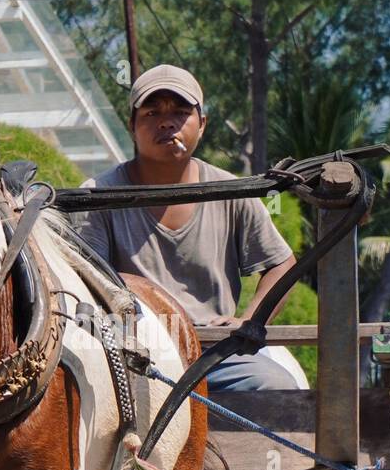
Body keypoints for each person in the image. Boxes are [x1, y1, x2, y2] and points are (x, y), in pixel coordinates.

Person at [74, 63, 307, 391]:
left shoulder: (231, 192)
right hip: (132, 353)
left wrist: (251, 320)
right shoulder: (97, 194)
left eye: (181, 112)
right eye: (151, 113)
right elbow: (86, 278)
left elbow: (281, 263)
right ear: (132, 126)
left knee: (272, 385)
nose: (166, 122)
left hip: (213, 354)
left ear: (202, 125)